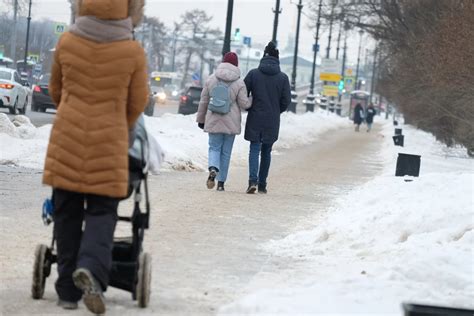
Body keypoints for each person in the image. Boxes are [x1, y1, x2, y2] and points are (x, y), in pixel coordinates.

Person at [42, 0, 148, 313]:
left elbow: (56, 90)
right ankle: (90, 268)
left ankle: (66, 293)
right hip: (109, 143)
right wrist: (119, 123)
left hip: (67, 140)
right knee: (102, 213)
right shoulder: (132, 51)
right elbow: (138, 101)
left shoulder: (68, 41)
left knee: (67, 214)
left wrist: (73, 110)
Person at [196, 52, 251, 191]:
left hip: (213, 118)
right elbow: (244, 104)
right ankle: (221, 184)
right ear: (236, 64)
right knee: (226, 153)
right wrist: (252, 99)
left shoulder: (211, 79)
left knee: (214, 148)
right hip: (231, 122)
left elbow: (204, 101)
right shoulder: (239, 82)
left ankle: (213, 168)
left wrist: (201, 119)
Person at [243, 42, 291, 194]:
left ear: (263, 56)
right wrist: (277, 110)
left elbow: (243, 93)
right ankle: (262, 184)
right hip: (272, 119)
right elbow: (286, 101)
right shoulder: (283, 78)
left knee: (254, 149)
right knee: (266, 151)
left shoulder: (253, 74)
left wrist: (250, 105)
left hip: (255, 116)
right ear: (277, 59)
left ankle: (252, 181)